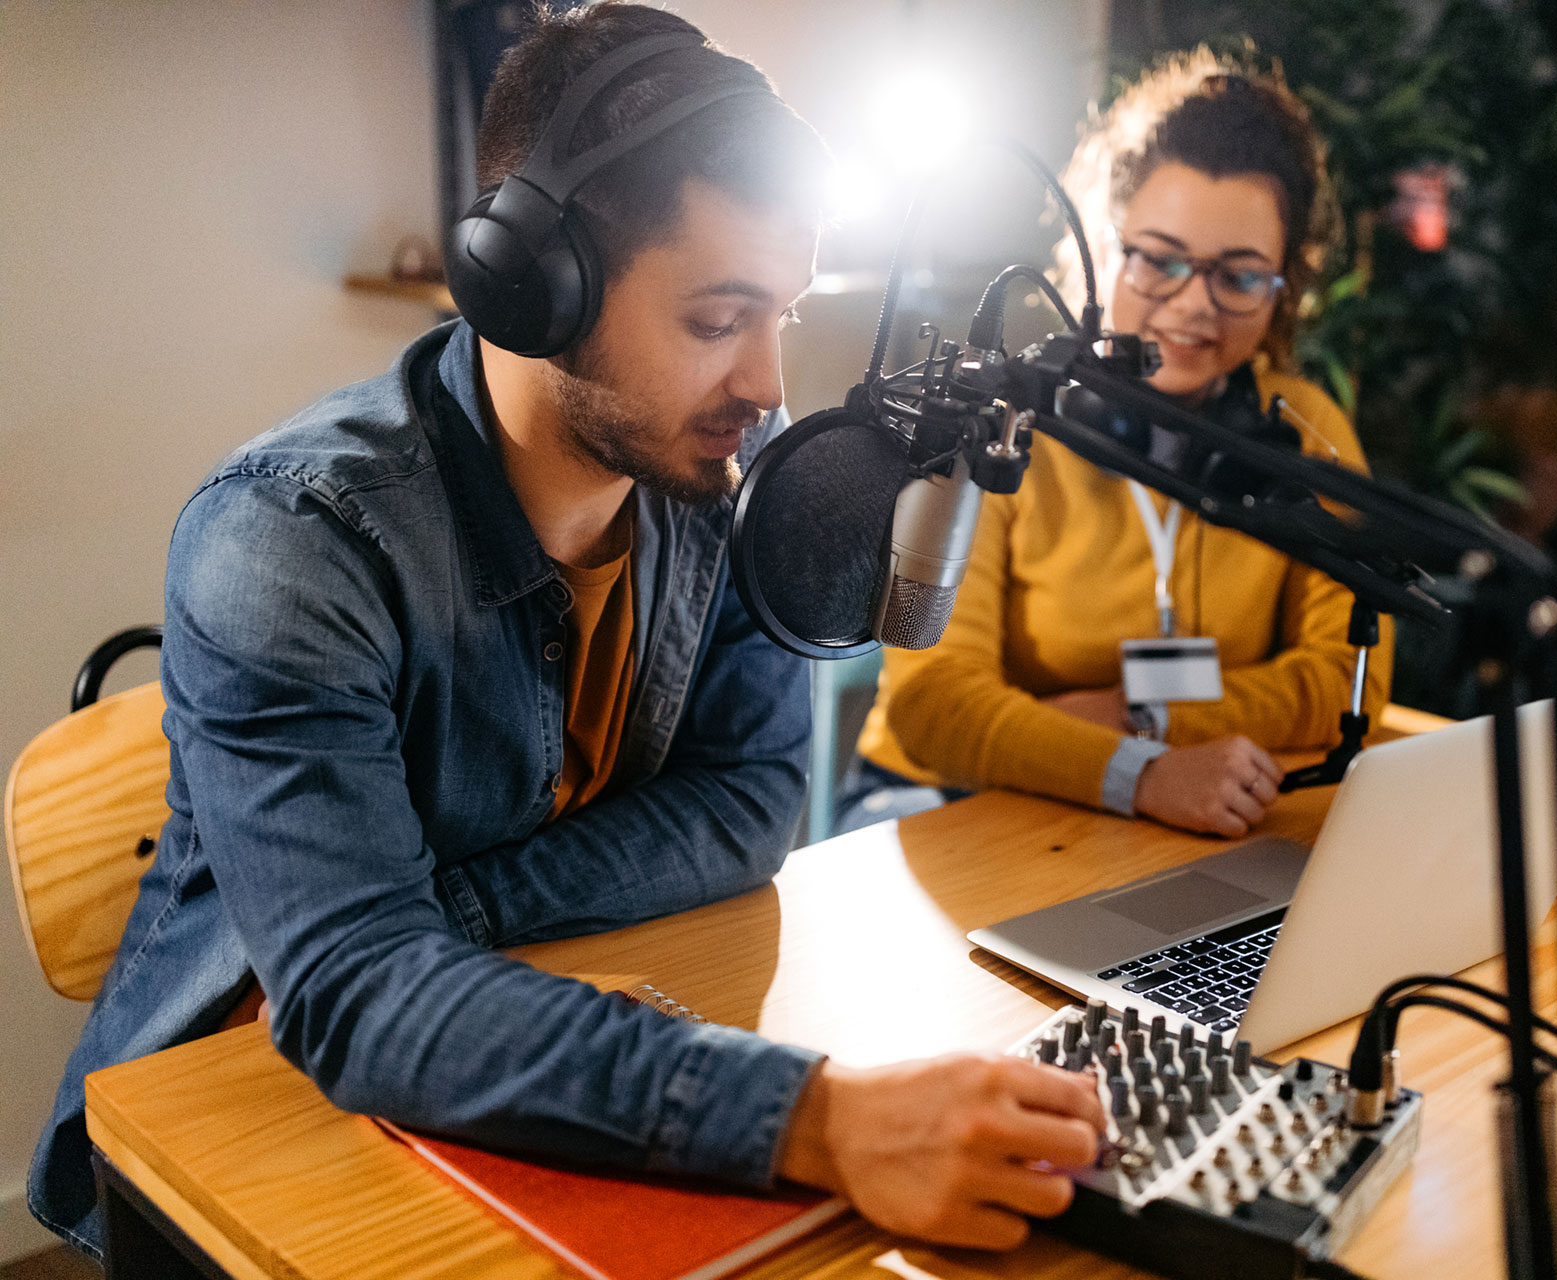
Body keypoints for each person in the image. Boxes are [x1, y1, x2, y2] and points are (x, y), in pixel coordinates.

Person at [29, 4, 1100, 1261]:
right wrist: (813, 1117)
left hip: (535, 1027)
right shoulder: (289, 539)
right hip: (237, 1136)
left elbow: (753, 799)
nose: (767, 384)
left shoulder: (711, 485)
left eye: (784, 315)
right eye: (716, 319)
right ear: (536, 286)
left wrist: (455, 912)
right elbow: (362, 994)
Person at [848, 49, 1393, 839]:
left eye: (1238, 277)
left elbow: (1345, 677)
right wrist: (1141, 770)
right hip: (944, 801)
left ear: (1286, 288)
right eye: (1159, 260)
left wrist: (1139, 713)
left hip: (1172, 804)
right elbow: (936, 705)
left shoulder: (1302, 429)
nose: (1193, 306)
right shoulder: (990, 418)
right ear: (1099, 251)